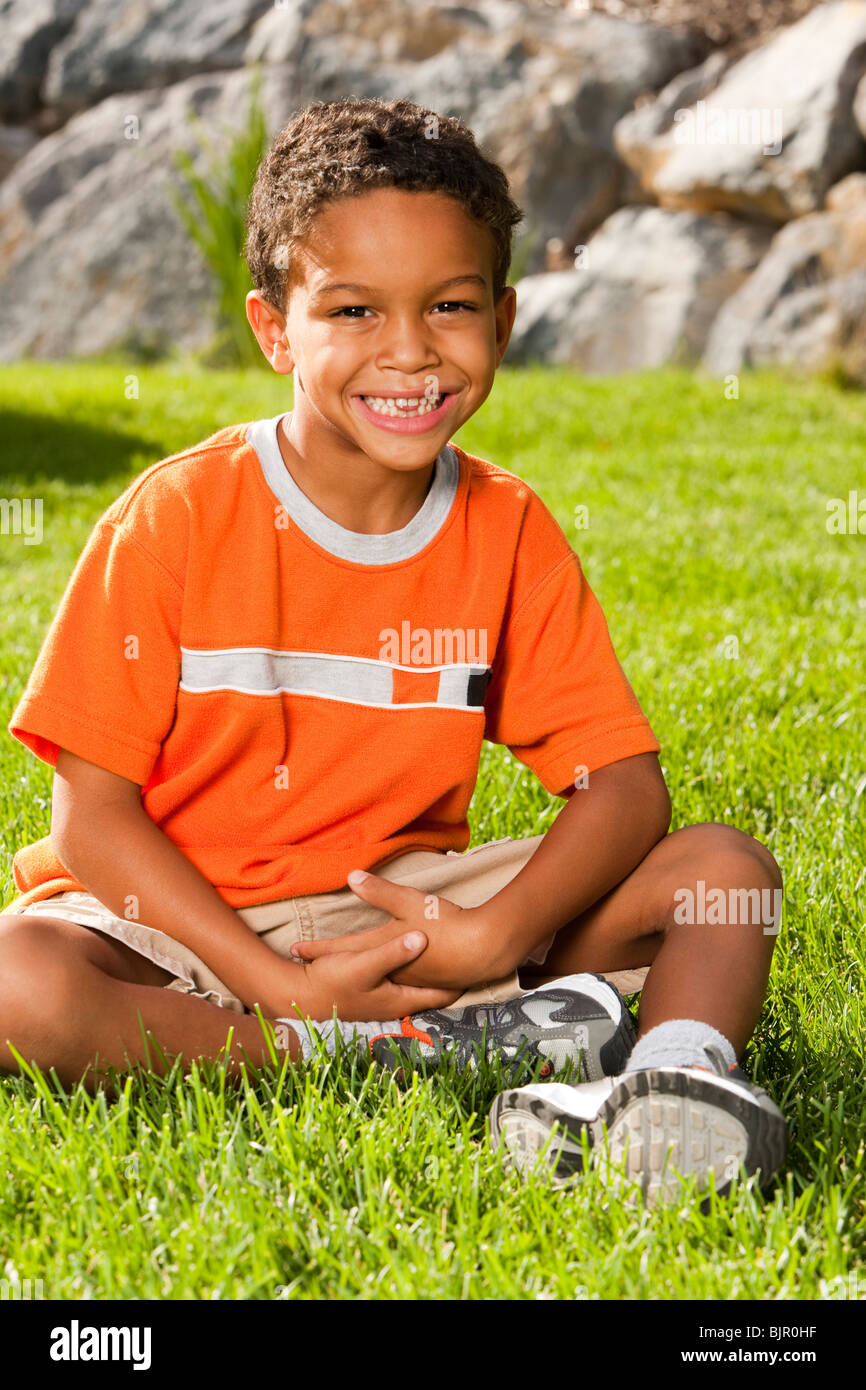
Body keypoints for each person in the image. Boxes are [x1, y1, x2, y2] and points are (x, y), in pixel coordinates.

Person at [0, 97, 786, 1204]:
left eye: (450, 306)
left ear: (503, 322)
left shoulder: (506, 529)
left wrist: (492, 932)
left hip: (406, 918)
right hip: (184, 934)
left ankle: (667, 1096)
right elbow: (92, 818)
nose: (409, 351)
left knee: (722, 877)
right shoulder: (173, 518)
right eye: (355, 310)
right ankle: (336, 1052)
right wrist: (273, 984)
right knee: (11, 982)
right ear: (275, 329)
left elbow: (620, 789)